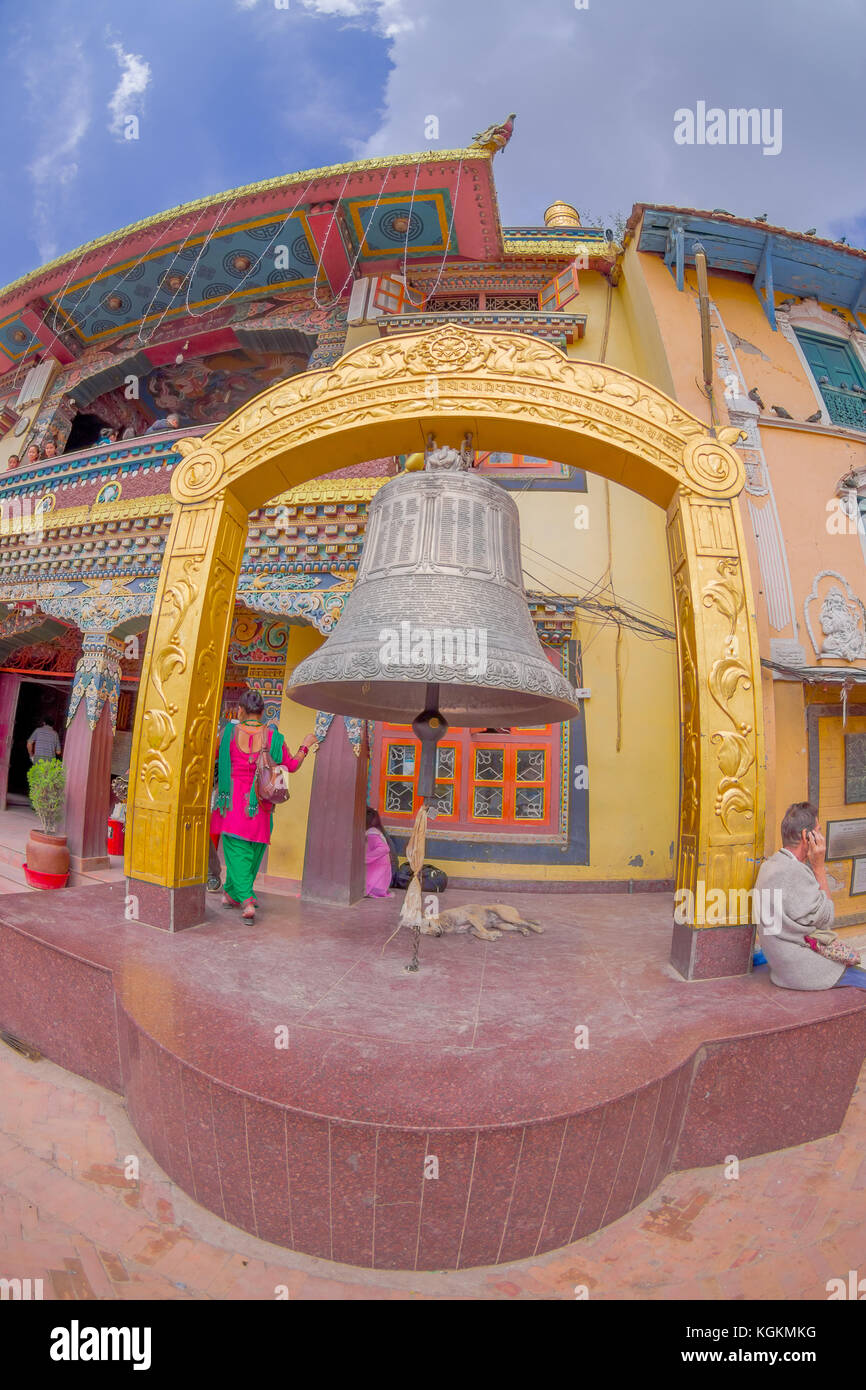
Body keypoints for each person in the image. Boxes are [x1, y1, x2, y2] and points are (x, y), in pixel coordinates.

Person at [210, 690, 317, 921]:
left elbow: (212, 755)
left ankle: (246, 899)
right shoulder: (274, 738)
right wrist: (305, 746)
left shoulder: (227, 733)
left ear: (240, 710)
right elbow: (292, 765)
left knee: (237, 850)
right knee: (252, 849)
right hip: (261, 804)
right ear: (263, 713)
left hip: (230, 803)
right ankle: (231, 894)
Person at [754, 801, 866, 990]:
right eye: (818, 830)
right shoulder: (794, 873)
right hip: (802, 970)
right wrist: (819, 867)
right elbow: (827, 919)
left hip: (781, 965)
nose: (821, 836)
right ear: (808, 836)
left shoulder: (771, 865)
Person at [365, 806, 396, 898]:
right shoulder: (376, 831)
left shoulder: (372, 833)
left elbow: (384, 848)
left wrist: (365, 858)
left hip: (378, 870)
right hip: (381, 868)